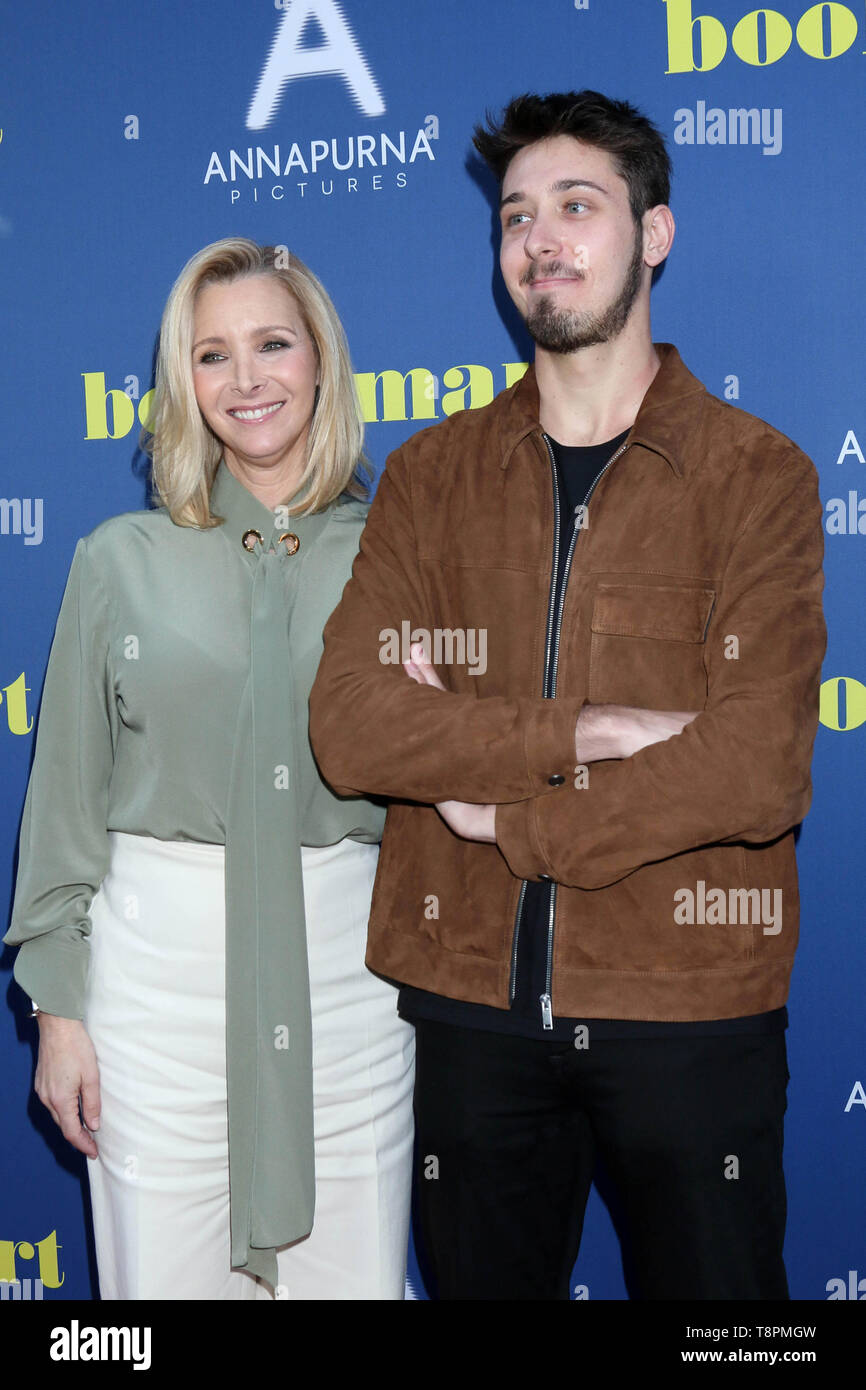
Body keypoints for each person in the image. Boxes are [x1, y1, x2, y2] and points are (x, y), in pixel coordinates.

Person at [308, 92, 826, 1300]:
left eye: (575, 206)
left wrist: (516, 818)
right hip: (470, 1007)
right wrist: (585, 731)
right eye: (514, 217)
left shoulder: (756, 476)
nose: (539, 239)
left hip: (690, 998)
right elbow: (351, 722)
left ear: (652, 234)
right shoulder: (430, 477)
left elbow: (755, 765)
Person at [4, 237, 414, 1301]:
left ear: (320, 360)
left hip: (352, 998)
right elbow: (64, 806)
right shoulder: (116, 561)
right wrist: (59, 1011)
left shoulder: (402, 554)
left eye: (272, 344)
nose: (246, 380)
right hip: (156, 1007)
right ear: (180, 383)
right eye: (211, 355)